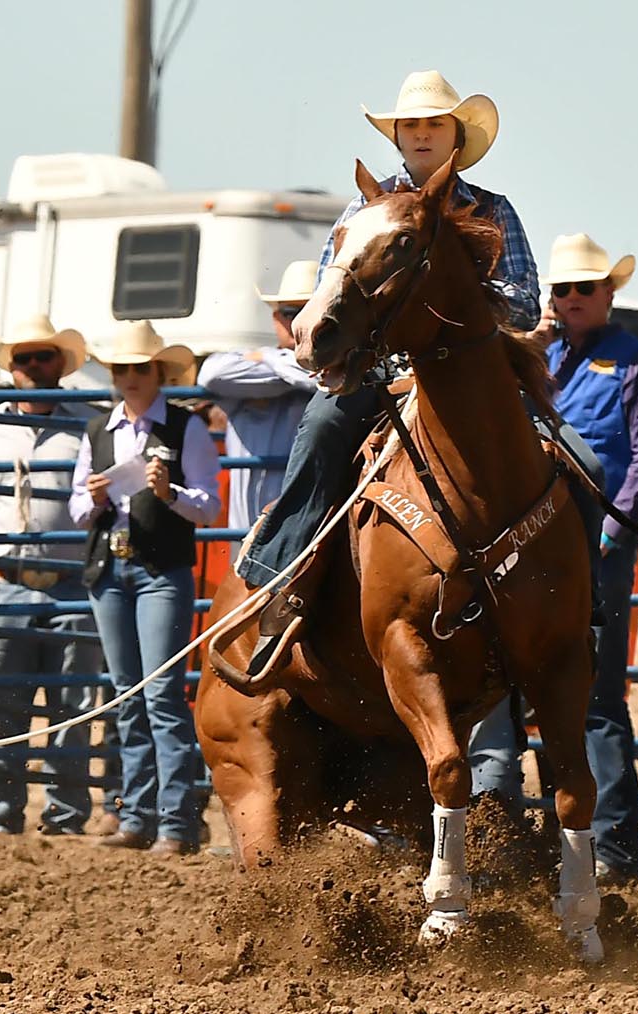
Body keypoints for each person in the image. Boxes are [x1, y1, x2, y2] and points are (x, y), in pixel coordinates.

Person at [237, 70, 541, 632]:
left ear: (456, 137)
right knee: (325, 428)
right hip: (382, 373)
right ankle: (279, 575)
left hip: (475, 383)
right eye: (411, 125)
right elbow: (331, 290)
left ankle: (575, 604)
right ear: (397, 136)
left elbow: (524, 305)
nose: (422, 134)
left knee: (575, 460)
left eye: (434, 124)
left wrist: (460, 297)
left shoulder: (494, 210)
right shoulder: (363, 210)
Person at [467, 235, 638, 884]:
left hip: (596, 551)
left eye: (586, 287)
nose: (574, 298)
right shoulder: (535, 354)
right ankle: (546, 837)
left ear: (610, 294)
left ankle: (611, 847)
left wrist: (615, 535)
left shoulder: (635, 362)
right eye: (564, 288)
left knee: (597, 699)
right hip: (525, 554)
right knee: (514, 691)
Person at [0, 315, 104, 836]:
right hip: (6, 583)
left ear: (59, 364)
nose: (31, 366)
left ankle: (65, 818)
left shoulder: (90, 423)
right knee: (2, 710)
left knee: (70, 711)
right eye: (24, 358)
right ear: (11, 367)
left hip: (73, 584)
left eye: (42, 357)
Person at [70, 320, 219, 855]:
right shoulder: (97, 431)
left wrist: (170, 492)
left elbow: (209, 505)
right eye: (122, 369)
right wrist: (96, 499)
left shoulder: (185, 428)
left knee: (157, 694)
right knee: (127, 696)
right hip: (111, 569)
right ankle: (138, 815)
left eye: (139, 368)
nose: (130, 377)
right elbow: (78, 506)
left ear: (158, 372)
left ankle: (175, 820)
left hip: (159, 570)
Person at [198, 261, 323, 538]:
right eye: (292, 313)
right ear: (276, 318)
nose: (299, 321)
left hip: (305, 524)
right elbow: (211, 373)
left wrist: (266, 359)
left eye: (307, 311)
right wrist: (288, 367)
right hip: (247, 527)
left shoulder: (334, 368)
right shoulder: (332, 368)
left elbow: (318, 379)